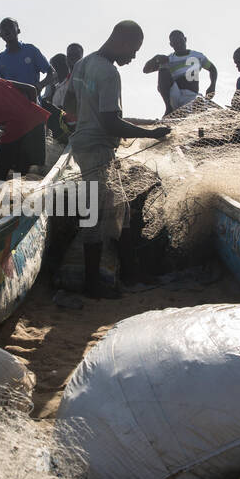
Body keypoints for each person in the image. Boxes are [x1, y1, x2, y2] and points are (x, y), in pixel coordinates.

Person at [69, 20, 172, 300]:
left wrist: (81, 121)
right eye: (134, 50)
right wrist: (151, 134)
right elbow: (111, 123)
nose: (134, 57)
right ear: (123, 41)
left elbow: (68, 104)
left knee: (123, 209)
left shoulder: (83, 64)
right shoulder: (109, 73)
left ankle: (130, 271)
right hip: (96, 151)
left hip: (85, 145)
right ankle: (92, 283)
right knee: (94, 215)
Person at [143, 30, 218, 113]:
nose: (178, 44)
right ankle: (168, 108)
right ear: (171, 44)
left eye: (180, 41)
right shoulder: (169, 59)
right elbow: (146, 70)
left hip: (191, 96)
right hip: (174, 95)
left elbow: (213, 69)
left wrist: (212, 85)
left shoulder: (197, 56)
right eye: (175, 43)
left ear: (185, 39)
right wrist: (156, 58)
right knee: (163, 66)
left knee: (205, 107)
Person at [0, 17, 55, 102]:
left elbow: (51, 73)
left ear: (18, 31)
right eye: (4, 27)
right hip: (11, 107)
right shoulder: (0, 59)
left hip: (32, 105)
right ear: (0, 35)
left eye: (11, 26)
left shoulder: (31, 50)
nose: (7, 29)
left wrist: (40, 86)